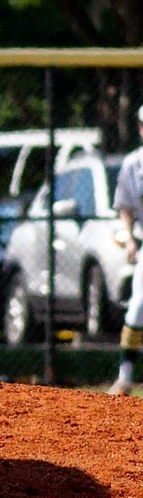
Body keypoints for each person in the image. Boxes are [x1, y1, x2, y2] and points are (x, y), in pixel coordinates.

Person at [109, 106, 143, 395]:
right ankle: (125, 376)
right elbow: (125, 207)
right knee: (139, 305)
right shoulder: (134, 163)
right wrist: (130, 238)